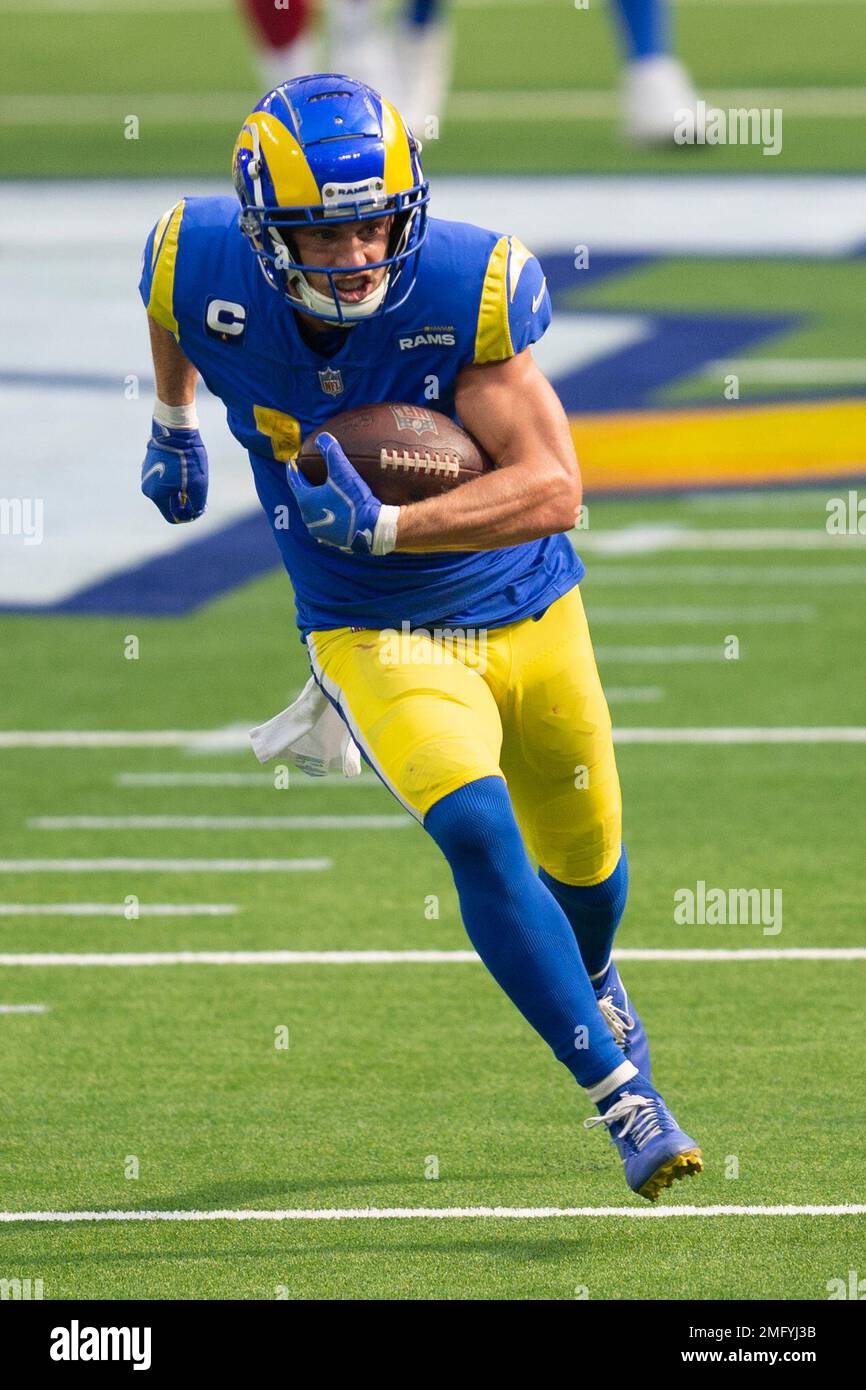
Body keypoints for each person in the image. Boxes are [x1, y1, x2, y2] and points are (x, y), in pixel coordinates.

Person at [138, 74, 702, 1199]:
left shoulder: (462, 284)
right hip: (368, 628)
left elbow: (552, 487)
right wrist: (173, 418)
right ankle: (622, 1097)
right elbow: (173, 310)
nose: (353, 250)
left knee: (588, 875)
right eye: (321, 229)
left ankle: (587, 967)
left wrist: (394, 522)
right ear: (261, 232)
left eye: (372, 220)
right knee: (480, 833)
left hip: (528, 605)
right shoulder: (189, 259)